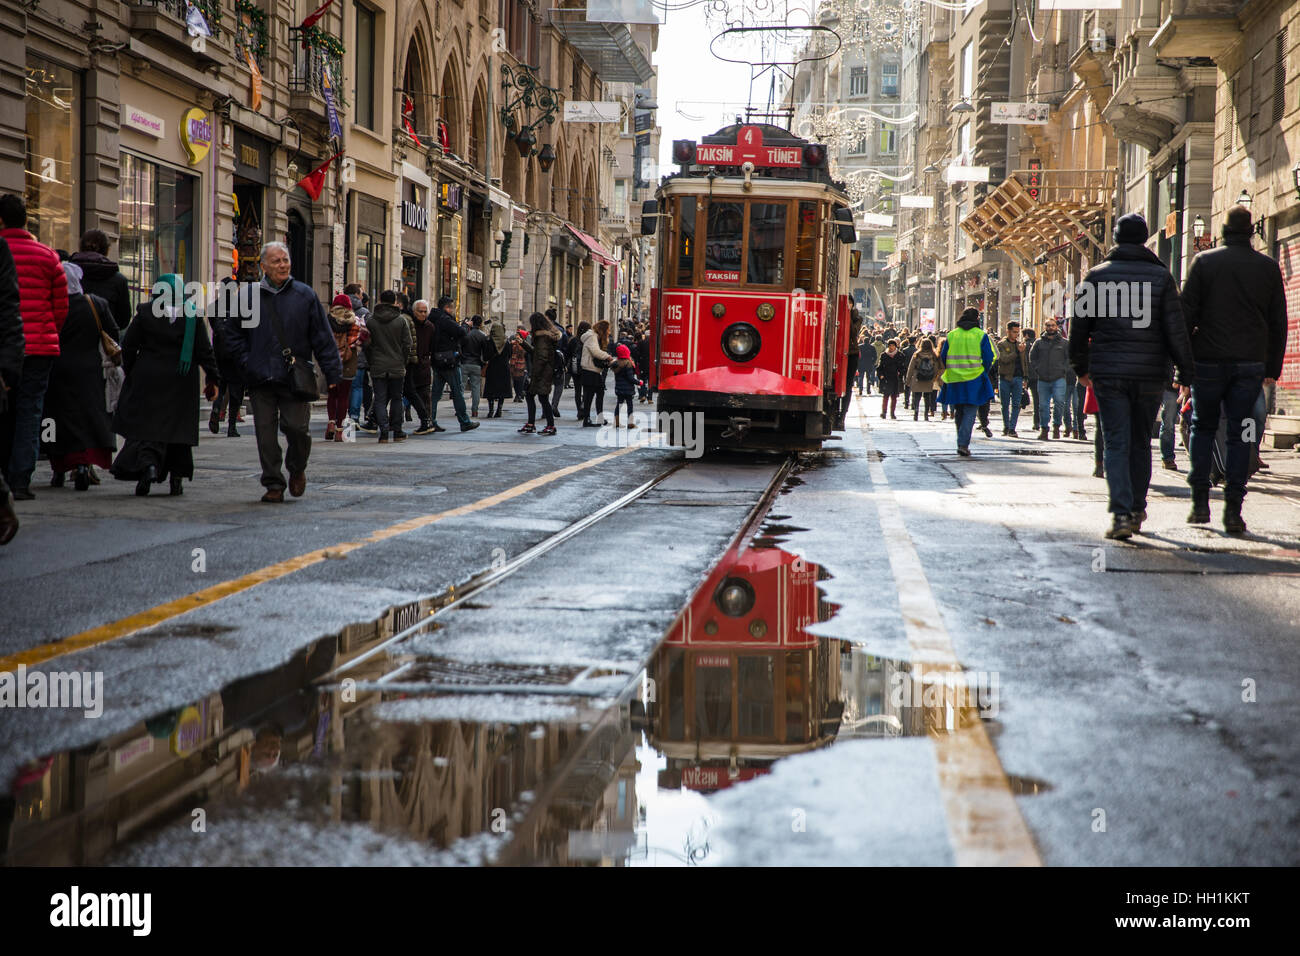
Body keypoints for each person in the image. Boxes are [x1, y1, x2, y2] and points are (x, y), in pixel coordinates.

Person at [1069, 212, 1195, 539]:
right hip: (1151, 375)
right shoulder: (1162, 278)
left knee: (1116, 442)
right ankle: (1138, 508)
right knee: (1141, 441)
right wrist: (1185, 371)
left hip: (1108, 373)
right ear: (1144, 239)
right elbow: (1176, 331)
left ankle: (1122, 513)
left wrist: (1081, 368)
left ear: (1116, 239)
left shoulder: (1096, 278)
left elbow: (1079, 330)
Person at [1180, 204, 1287, 533]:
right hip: (1249, 364)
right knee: (1243, 434)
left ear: (1223, 232)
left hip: (1208, 362)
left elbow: (1185, 317)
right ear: (1250, 231)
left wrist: (1184, 367)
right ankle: (1233, 509)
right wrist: (1273, 367)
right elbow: (1278, 322)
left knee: (1203, 427)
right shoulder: (1267, 268)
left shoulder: (1204, 262)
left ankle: (1200, 501)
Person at [227, 242, 343, 501]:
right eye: (276, 261)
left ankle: (297, 468)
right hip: (260, 377)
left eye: (285, 260)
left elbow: (322, 337)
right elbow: (232, 334)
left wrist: (333, 374)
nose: (283, 265)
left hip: (294, 377)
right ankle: (273, 484)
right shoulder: (247, 297)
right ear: (264, 266)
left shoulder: (305, 295)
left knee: (297, 430)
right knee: (265, 435)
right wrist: (246, 361)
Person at [110, 275, 219, 496]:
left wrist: (131, 372)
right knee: (177, 431)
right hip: (181, 381)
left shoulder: (146, 312)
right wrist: (213, 378)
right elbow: (204, 351)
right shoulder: (192, 315)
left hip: (148, 378)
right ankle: (176, 477)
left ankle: (148, 467)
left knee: (147, 428)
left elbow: (129, 346)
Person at [0, 193, 68, 500]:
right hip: (39, 348)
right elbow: (61, 307)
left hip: (4, 347)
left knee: (5, 411)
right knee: (30, 412)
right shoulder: (48, 256)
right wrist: (45, 329)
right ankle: (20, 480)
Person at [42, 262, 118, 491]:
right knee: (87, 417)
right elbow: (113, 333)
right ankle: (84, 464)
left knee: (55, 418)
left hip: (55, 368)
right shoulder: (95, 304)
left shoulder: (50, 305)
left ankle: (58, 467)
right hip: (90, 370)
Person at [937, 308, 995, 456]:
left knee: (959, 411)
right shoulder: (980, 335)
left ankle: (961, 441)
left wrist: (952, 368)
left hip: (954, 378)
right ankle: (963, 444)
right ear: (977, 319)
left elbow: (943, 356)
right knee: (970, 411)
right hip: (974, 378)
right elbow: (988, 358)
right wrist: (983, 371)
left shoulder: (952, 335)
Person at [362, 289, 412, 443]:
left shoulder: (371, 320)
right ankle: (397, 431)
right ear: (394, 302)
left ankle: (383, 432)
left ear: (380, 301)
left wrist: (371, 361)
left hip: (378, 365)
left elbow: (367, 345)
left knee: (380, 399)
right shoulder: (401, 320)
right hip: (397, 365)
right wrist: (402, 361)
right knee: (397, 398)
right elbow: (407, 344)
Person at [427, 295, 480, 432]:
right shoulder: (445, 319)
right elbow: (461, 332)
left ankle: (430, 420)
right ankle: (464, 421)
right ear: (447, 308)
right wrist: (464, 325)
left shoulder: (433, 318)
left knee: (435, 393)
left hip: (436, 360)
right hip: (449, 361)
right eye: (453, 308)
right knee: (457, 392)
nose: (454, 311)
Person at [69, 229, 132, 333]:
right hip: (103, 343)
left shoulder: (67, 274)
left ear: (80, 247)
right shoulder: (118, 280)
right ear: (107, 250)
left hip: (68, 341)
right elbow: (123, 320)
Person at [326, 293, 361, 441]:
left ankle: (331, 424)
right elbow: (358, 341)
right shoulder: (354, 321)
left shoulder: (327, 320)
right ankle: (340, 431)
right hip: (348, 361)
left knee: (332, 394)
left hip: (331, 360)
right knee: (343, 396)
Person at [519, 312, 560, 435]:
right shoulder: (545, 337)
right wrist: (523, 343)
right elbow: (536, 352)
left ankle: (550, 425)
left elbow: (541, 357)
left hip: (542, 373)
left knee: (541, 398)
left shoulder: (542, 337)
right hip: (545, 372)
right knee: (536, 397)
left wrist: (534, 376)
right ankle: (534, 424)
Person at [1030, 316, 1071, 440]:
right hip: (1043, 379)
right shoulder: (1038, 342)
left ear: (1057, 327)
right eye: (1048, 326)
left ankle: (1056, 427)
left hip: (1059, 378)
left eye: (1052, 325)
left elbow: (1069, 359)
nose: (1050, 328)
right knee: (1043, 405)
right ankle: (1044, 429)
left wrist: (1063, 369)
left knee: (1059, 402)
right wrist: (1038, 369)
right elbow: (1032, 357)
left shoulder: (1064, 343)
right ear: (1045, 327)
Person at [579, 319, 613, 427]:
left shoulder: (594, 336)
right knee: (589, 396)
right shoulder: (592, 336)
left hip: (594, 370)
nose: (609, 331)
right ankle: (587, 419)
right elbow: (595, 351)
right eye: (608, 329)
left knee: (599, 393)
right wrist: (608, 356)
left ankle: (598, 417)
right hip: (589, 370)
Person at [408, 299, 436, 435]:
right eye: (420, 311)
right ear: (414, 312)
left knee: (425, 396)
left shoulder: (430, 326)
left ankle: (427, 421)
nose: (423, 314)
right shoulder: (409, 324)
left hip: (423, 366)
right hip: (410, 365)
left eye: (425, 312)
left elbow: (431, 347)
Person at [995, 321, 1027, 437]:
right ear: (1008, 331)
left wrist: (1025, 377)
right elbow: (1004, 359)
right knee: (1005, 404)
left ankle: (1012, 428)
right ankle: (1006, 426)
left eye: (1018, 332)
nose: (1016, 334)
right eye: (1014, 332)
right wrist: (1017, 352)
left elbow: (1024, 362)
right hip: (1005, 377)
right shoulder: (1002, 344)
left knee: (1016, 404)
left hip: (1018, 378)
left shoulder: (1020, 345)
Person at [905, 336, 942, 421]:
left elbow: (910, 368)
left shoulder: (917, 354)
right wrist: (935, 377)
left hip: (918, 377)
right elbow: (936, 367)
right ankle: (926, 414)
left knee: (917, 395)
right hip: (929, 378)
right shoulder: (933, 355)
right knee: (927, 396)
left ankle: (916, 412)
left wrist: (908, 380)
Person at [482, 317, 513, 418]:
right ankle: (499, 410)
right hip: (504, 368)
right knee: (501, 391)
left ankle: (491, 410)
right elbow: (509, 355)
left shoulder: (489, 342)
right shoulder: (507, 343)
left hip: (493, 368)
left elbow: (486, 356)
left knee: (491, 390)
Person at [461, 314, 489, 417]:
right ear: (481, 323)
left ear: (472, 322)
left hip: (465, 363)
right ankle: (474, 410)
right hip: (476, 364)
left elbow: (461, 347)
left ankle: (460, 409)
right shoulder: (482, 336)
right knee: (476, 388)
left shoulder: (467, 334)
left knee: (461, 387)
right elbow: (485, 352)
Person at [611, 343, 640, 429]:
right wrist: (639, 382)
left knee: (618, 405)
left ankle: (616, 422)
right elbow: (630, 378)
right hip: (628, 390)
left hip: (619, 389)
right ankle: (630, 423)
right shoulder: (628, 364)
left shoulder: (616, 364)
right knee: (630, 405)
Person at [876, 339, 907, 419]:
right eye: (890, 346)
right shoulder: (884, 355)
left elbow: (903, 367)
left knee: (894, 397)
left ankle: (892, 413)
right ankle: (884, 412)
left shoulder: (900, 355)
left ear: (895, 346)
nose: (891, 347)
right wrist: (881, 375)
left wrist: (900, 373)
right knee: (885, 396)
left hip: (895, 379)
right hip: (886, 378)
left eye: (893, 345)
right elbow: (880, 367)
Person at [509, 325, 529, 401]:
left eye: (518, 335)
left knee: (520, 380)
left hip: (519, 364)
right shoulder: (513, 343)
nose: (516, 336)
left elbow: (524, 353)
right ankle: (518, 395)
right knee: (516, 380)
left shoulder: (523, 344)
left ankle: (518, 395)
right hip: (515, 363)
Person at [899, 335, 917, 410]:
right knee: (914, 387)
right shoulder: (917, 350)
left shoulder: (904, 350)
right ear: (915, 341)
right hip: (915, 370)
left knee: (907, 386)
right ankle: (913, 403)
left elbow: (901, 361)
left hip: (905, 369)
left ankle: (906, 402)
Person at [856, 327, 876, 396]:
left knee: (861, 377)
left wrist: (857, 362)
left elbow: (857, 356)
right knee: (868, 378)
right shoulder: (872, 347)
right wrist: (872, 362)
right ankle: (868, 390)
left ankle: (860, 390)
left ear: (863, 341)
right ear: (869, 341)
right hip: (869, 364)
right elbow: (875, 356)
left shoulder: (859, 347)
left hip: (861, 364)